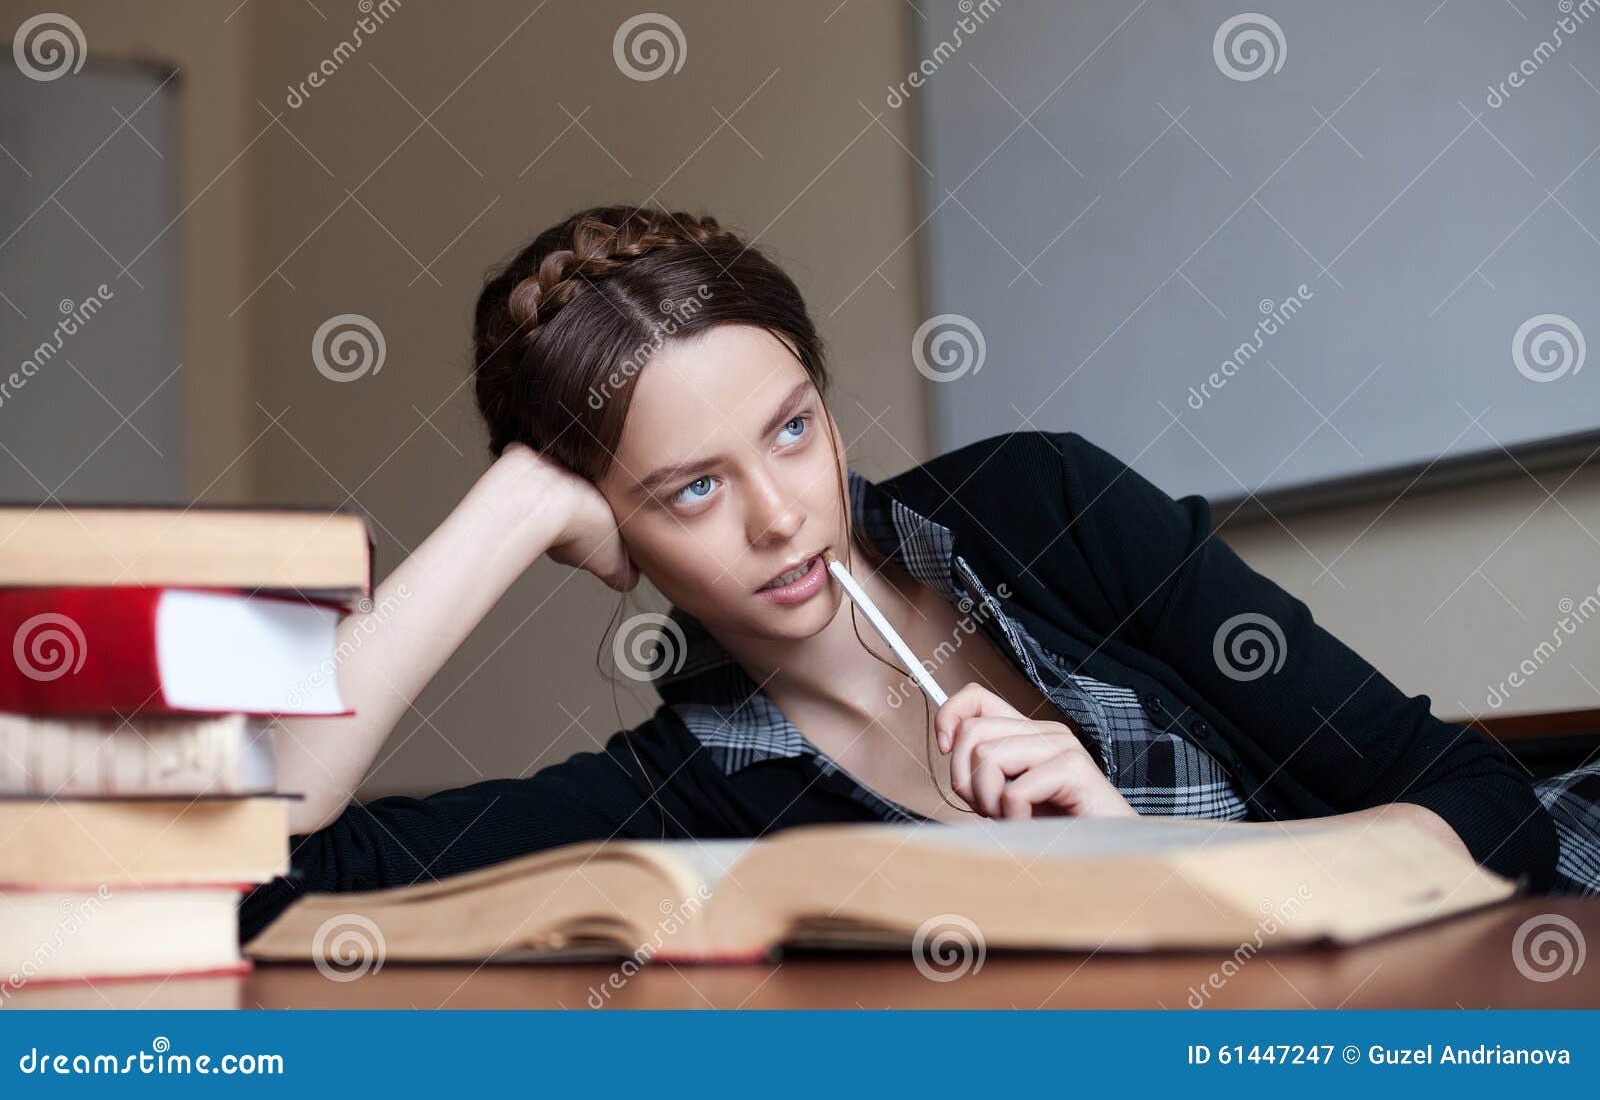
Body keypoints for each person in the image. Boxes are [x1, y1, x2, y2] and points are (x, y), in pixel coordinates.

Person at [240, 205, 1597, 942]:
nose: (782, 517)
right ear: (613, 532)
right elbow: (250, 874)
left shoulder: (1042, 505)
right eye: (691, 488)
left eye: (791, 428)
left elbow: (1484, 804)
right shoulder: (675, 789)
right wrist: (506, 510)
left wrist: (1153, 860)